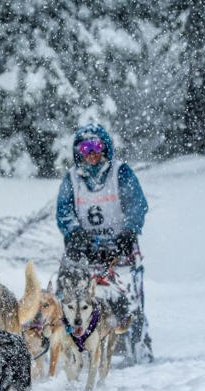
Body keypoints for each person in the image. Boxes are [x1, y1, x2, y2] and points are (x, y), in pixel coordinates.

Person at [56, 123, 153, 364]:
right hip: (84, 250)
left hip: (120, 250)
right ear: (78, 151)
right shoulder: (72, 179)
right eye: (85, 147)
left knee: (128, 301)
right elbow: (64, 211)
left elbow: (137, 204)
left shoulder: (120, 173)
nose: (91, 153)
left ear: (105, 148)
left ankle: (136, 347)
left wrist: (129, 231)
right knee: (72, 298)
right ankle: (74, 350)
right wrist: (74, 233)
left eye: (96, 146)